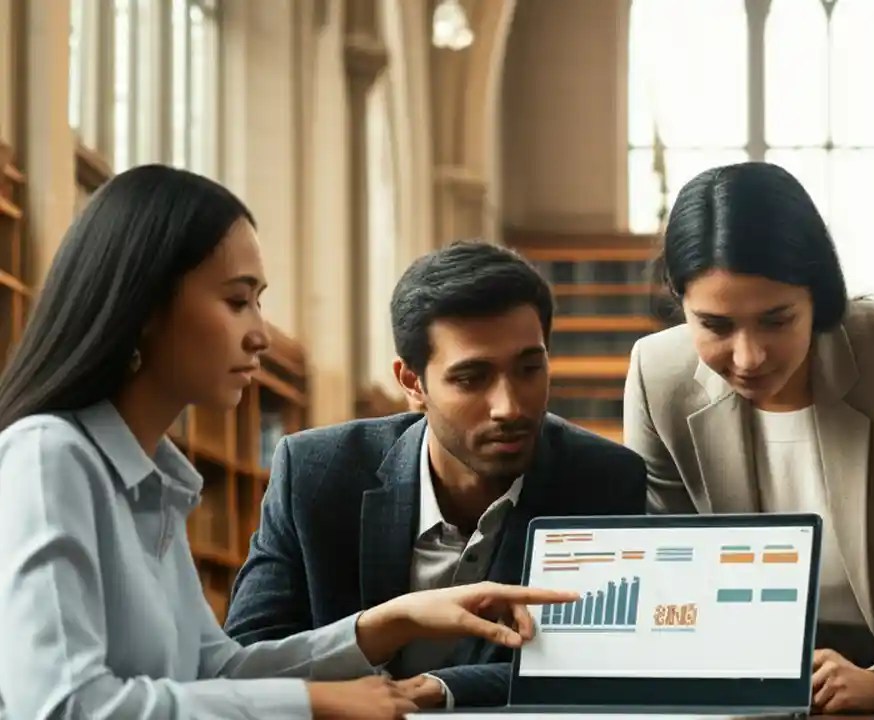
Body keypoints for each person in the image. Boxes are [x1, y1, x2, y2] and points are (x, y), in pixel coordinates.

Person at [0, 165, 577, 720]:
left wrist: (394, 621)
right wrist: (314, 703)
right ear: (145, 306)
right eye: (237, 301)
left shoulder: (152, 481)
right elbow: (61, 706)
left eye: (258, 301)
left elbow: (217, 671)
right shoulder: (50, 458)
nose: (259, 334)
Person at [624, 161, 874, 714]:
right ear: (679, 302)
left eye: (776, 320)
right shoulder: (657, 373)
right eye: (715, 325)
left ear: (819, 297)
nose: (748, 357)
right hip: (741, 671)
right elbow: (671, 574)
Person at [224, 241, 649, 708]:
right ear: (412, 382)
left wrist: (441, 690)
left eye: (529, 369)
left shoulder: (603, 480)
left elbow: (596, 667)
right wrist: (384, 628)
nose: (509, 407)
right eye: (471, 378)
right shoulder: (316, 473)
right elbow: (244, 664)